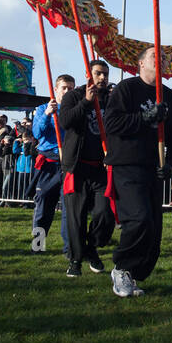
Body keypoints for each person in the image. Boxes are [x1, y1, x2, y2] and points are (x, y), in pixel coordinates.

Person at [105, 47, 172, 298]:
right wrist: (144, 117)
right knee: (138, 219)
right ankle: (122, 268)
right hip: (128, 164)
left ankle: (135, 273)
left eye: (162, 57)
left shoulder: (170, 97)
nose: (159, 60)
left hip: (154, 167)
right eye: (154, 57)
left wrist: (171, 162)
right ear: (140, 64)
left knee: (153, 229)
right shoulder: (126, 89)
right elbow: (113, 123)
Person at [58, 61, 115, 276]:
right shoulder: (74, 96)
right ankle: (75, 260)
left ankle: (92, 247)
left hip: (101, 167)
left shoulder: (110, 99)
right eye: (98, 73)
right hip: (77, 167)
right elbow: (65, 121)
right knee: (76, 217)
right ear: (88, 74)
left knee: (105, 213)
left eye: (105, 74)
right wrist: (86, 102)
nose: (102, 78)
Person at [31, 74, 74, 257]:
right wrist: (48, 114)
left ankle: (69, 250)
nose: (67, 91)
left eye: (71, 88)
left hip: (67, 162)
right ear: (56, 89)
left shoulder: (73, 110)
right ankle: (38, 245)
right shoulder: (42, 108)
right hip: (48, 162)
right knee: (43, 208)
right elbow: (37, 132)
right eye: (64, 87)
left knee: (69, 208)